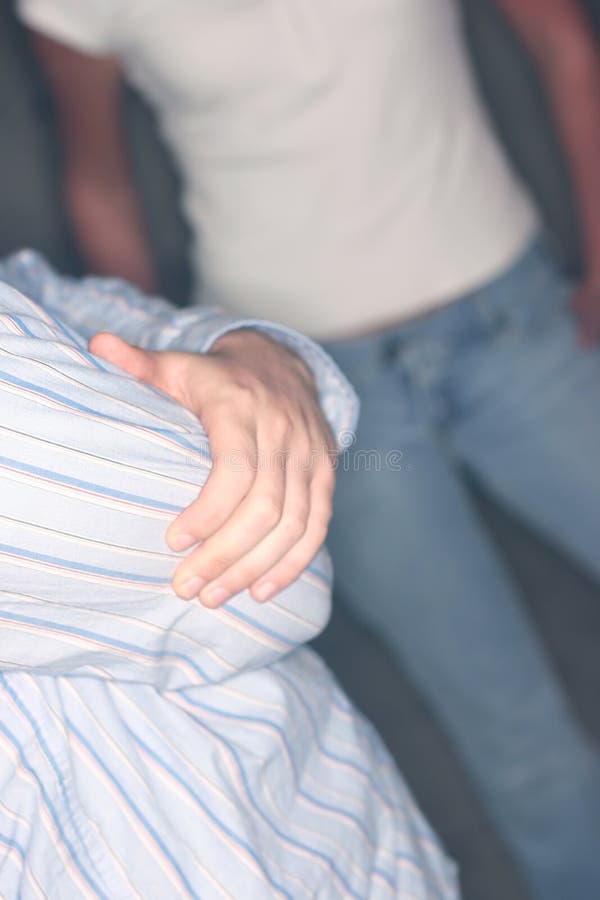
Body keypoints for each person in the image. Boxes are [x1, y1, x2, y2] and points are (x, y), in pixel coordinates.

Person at [13, 0, 600, 895]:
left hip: (513, 321)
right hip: (320, 399)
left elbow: (563, 44)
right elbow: (101, 180)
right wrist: (171, 371)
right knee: (515, 734)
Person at [0, 248, 459, 899]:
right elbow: (269, 581)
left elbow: (38, 286)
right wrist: (248, 390)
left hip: (330, 828)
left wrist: (247, 353)